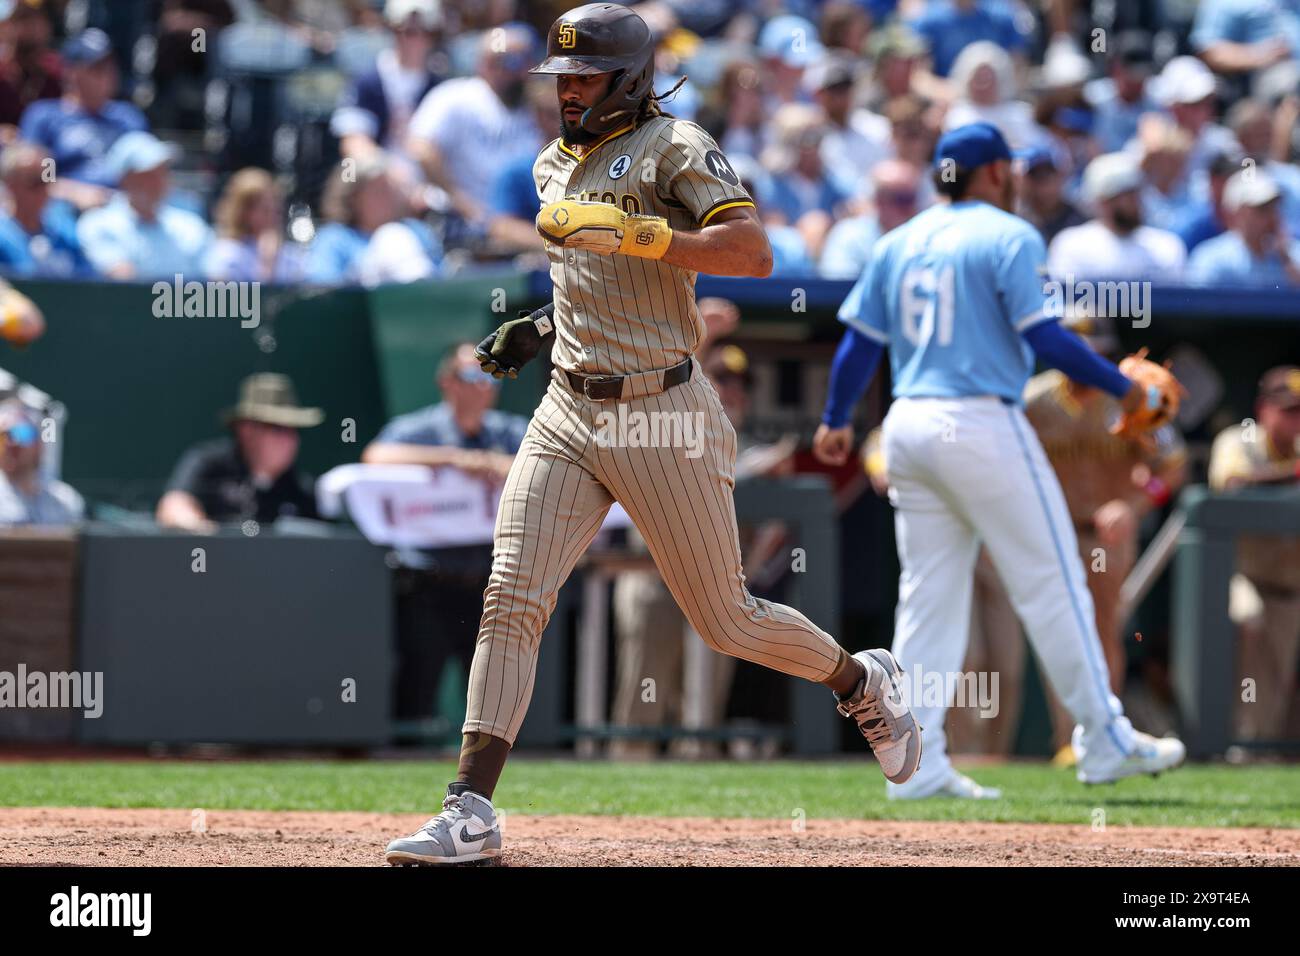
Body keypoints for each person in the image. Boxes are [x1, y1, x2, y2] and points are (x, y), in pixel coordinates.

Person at [384, 4, 921, 866]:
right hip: (568, 408)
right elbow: (590, 284)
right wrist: (539, 326)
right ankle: (470, 809)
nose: (568, 94)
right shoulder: (551, 162)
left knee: (725, 619)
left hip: (663, 410)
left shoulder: (674, 145)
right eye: (562, 79)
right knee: (511, 594)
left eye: (586, 78)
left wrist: (639, 233)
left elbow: (753, 253)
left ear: (629, 78)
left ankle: (861, 682)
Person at [812, 121, 1185, 799]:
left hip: (910, 425)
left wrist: (836, 418)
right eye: (1008, 169)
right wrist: (1123, 386)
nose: (1013, 178)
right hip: (979, 418)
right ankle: (1102, 738)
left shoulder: (899, 240)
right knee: (1056, 581)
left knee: (927, 601)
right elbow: (1043, 336)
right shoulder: (1010, 234)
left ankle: (917, 766)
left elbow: (857, 344)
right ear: (992, 174)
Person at [362, 342, 529, 726]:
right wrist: (453, 460)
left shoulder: (510, 431)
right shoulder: (418, 429)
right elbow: (376, 456)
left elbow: (553, 460)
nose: (484, 386)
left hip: (492, 583)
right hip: (428, 582)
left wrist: (496, 466)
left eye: (492, 376)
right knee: (416, 691)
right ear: (447, 383)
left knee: (497, 698)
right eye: (472, 376)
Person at [1209, 366, 1300, 741]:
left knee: (1278, 685)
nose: (1296, 420)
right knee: (1249, 619)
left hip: (1291, 588)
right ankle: (1231, 740)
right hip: (1242, 577)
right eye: (1289, 410)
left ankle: (1263, 748)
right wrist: (1293, 473)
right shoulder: (1240, 439)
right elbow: (1231, 485)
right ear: (1264, 409)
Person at [406, 24, 542, 239]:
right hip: (466, 222)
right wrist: (460, 201)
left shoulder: (536, 106)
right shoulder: (457, 96)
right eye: (511, 61)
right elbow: (421, 149)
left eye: (527, 60)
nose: (521, 70)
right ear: (484, 63)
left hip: (524, 218)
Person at [156, 373, 322, 532]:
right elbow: (174, 506)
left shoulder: (302, 489)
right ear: (247, 430)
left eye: (295, 430)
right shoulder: (209, 463)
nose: (290, 440)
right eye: (278, 428)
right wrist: (207, 534)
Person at [18, 28, 147, 191]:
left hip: (121, 205)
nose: (108, 74)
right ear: (71, 72)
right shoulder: (45, 116)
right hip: (64, 207)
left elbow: (146, 166)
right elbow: (40, 175)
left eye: (110, 65)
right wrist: (73, 193)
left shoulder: (128, 117)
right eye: (97, 67)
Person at [75, 131, 213, 280]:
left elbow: (214, 282)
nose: (159, 181)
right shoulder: (97, 224)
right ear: (124, 179)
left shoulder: (191, 226)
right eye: (148, 174)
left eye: (162, 171)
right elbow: (126, 285)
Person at [330, 0, 444, 164]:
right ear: (392, 30)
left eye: (425, 31)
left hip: (428, 182)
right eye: (408, 31)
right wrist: (389, 174)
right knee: (349, 171)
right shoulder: (368, 82)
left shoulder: (439, 88)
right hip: (378, 178)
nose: (415, 40)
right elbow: (352, 144)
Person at [1047, 152, 1186, 281]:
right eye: (1123, 195)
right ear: (1101, 202)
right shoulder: (1071, 245)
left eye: (1135, 193)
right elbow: (1066, 302)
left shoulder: (1166, 246)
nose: (1133, 201)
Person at [1187, 170, 1300, 287]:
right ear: (1236, 213)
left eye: (1273, 207)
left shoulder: (1293, 254)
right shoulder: (1212, 258)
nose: (1271, 215)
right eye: (1262, 208)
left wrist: (1286, 258)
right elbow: (1199, 303)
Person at [0, 140, 91, 278]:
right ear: (10, 185)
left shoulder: (64, 231)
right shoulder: (3, 235)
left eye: (48, 181)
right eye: (36, 182)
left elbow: (87, 278)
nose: (44, 190)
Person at [819, 158, 922, 279]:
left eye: (912, 198)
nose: (910, 207)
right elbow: (837, 287)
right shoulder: (851, 236)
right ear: (879, 201)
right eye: (902, 199)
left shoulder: (924, 236)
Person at [205, 167, 302, 282]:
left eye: (276, 210)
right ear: (243, 212)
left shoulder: (290, 254)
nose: (273, 216)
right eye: (265, 210)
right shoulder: (226, 254)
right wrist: (267, 263)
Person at [0, 398, 81, 526]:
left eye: (22, 433)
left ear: (39, 445)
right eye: (2, 436)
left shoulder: (66, 501)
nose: (12, 443)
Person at [1012, 143, 1084, 245]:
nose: (1043, 186)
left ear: (1061, 176)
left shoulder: (1079, 218)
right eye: (1035, 177)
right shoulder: (1018, 218)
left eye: (1047, 176)